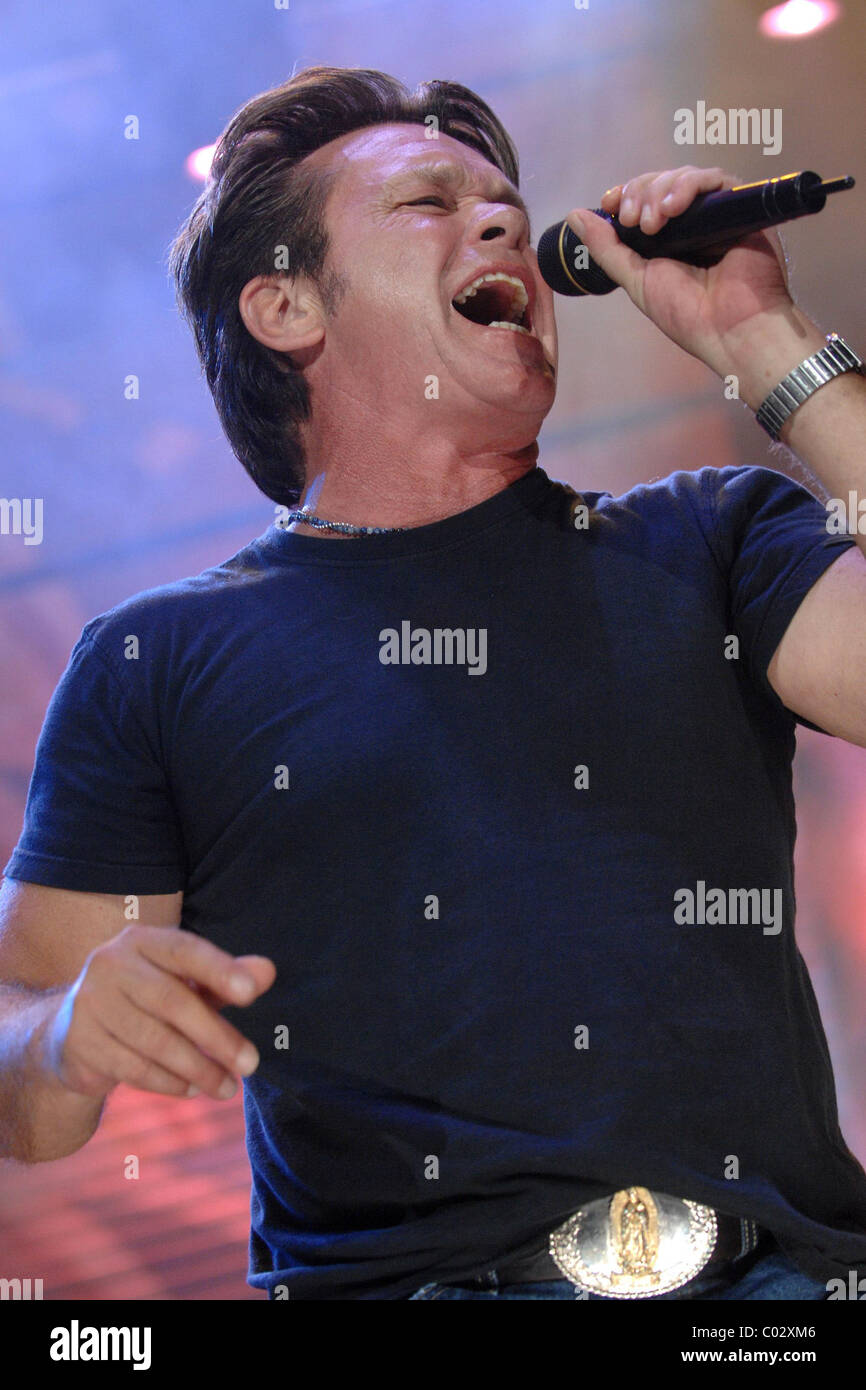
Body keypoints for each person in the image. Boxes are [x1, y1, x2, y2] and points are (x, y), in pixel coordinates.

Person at [1, 65, 865, 1303]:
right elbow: (21, 1098)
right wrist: (68, 1025)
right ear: (285, 307)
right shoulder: (161, 659)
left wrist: (758, 337)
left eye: (504, 201)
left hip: (764, 1293)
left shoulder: (709, 538)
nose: (502, 220)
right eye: (426, 203)